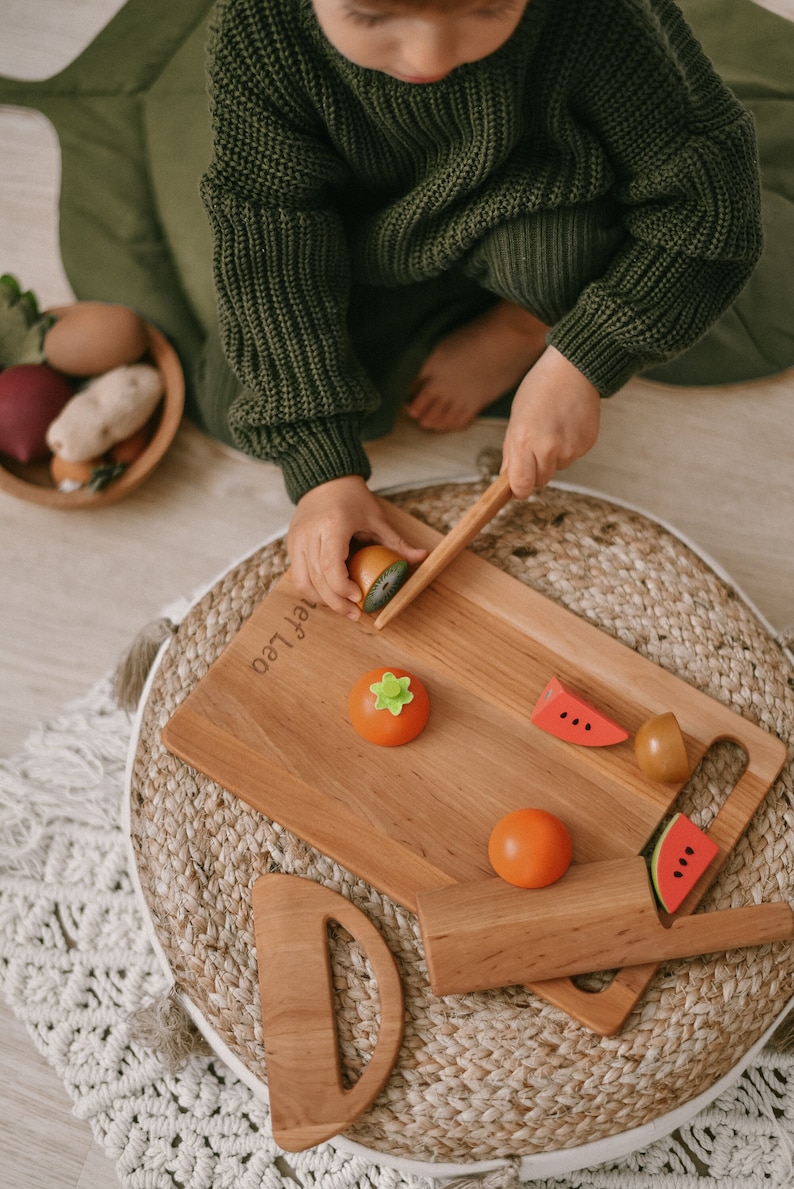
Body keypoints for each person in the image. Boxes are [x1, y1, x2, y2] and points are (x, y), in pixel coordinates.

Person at [197, 0, 762, 619]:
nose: (429, 58)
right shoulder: (260, 27)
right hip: (374, 233)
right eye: (370, 17)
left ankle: (527, 323)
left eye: (486, 7)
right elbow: (272, 241)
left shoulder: (602, 16)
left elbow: (708, 208)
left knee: (553, 259)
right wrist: (323, 473)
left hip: (543, 208)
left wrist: (584, 354)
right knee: (237, 397)